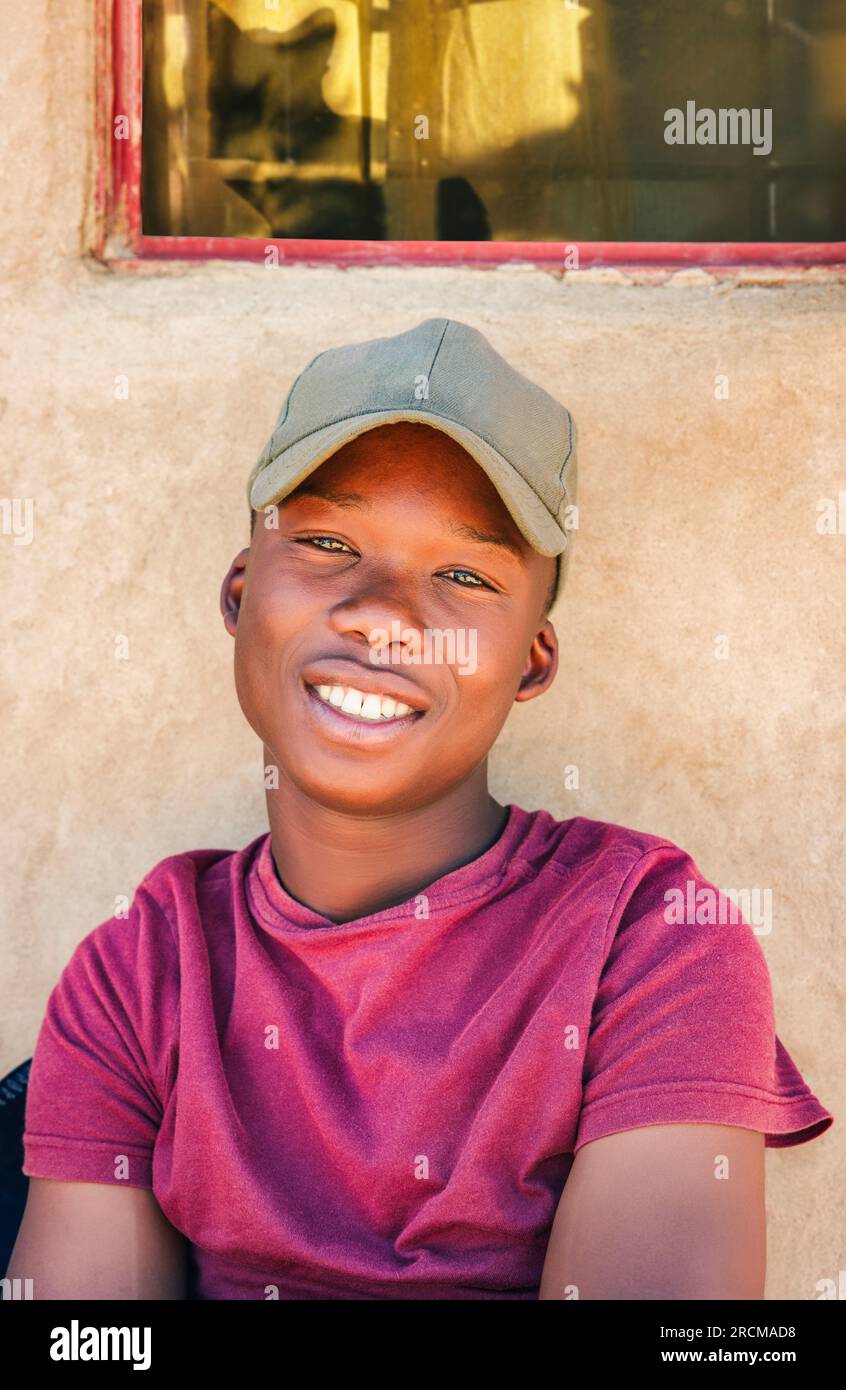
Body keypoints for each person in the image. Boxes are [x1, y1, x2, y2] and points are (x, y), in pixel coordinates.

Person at [7, 318, 833, 1300]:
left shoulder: (646, 939)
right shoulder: (145, 968)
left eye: (464, 575)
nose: (387, 613)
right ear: (239, 592)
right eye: (325, 542)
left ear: (533, 659)